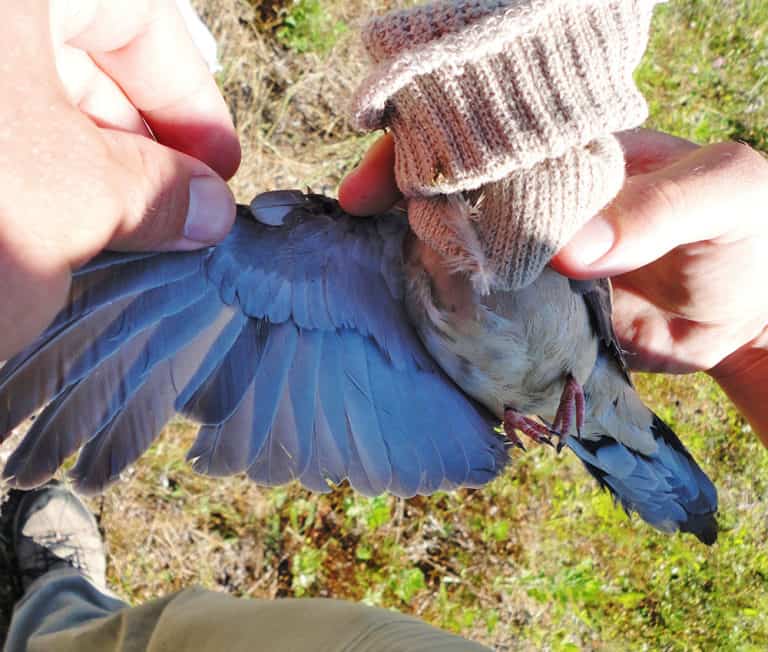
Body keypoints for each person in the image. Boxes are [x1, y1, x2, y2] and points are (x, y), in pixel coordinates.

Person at [1, 0, 766, 650]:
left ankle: (53, 618)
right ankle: (55, 620)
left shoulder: (543, 205)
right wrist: (753, 341)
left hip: (585, 384)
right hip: (543, 394)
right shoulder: (365, 255)